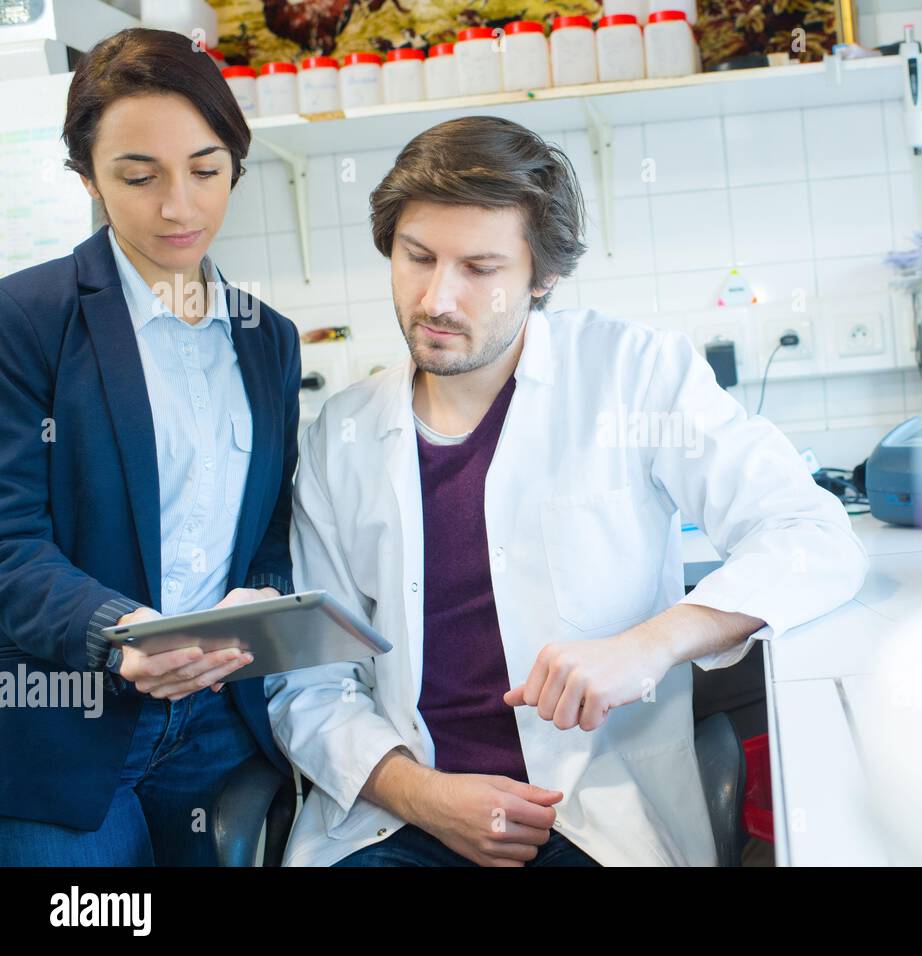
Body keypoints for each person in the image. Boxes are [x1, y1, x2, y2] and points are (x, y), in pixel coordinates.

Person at [267, 115, 869, 867]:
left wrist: (649, 647)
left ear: (542, 276)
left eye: (480, 269)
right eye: (417, 257)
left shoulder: (633, 375)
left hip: (591, 819)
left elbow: (813, 536)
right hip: (399, 819)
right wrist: (425, 796)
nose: (437, 298)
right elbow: (314, 682)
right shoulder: (341, 437)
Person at [0, 28, 301, 865]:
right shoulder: (27, 322)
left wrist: (259, 602)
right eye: (139, 176)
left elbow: (270, 529)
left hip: (216, 729)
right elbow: (7, 544)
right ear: (88, 178)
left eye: (206, 171)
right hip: (65, 731)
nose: (180, 206)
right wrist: (120, 630)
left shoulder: (266, 339)